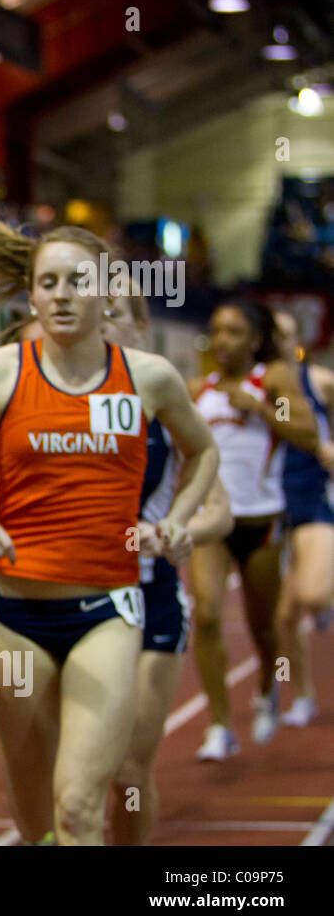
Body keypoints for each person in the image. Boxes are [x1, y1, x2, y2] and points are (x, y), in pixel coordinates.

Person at [0, 220, 219, 845]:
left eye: (78, 281)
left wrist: (178, 522)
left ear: (105, 290)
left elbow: (202, 452)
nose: (63, 295)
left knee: (78, 807)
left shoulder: (148, 377)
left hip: (109, 611)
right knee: (35, 815)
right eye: (48, 283)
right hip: (19, 616)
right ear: (33, 297)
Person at [100, 291, 233, 845]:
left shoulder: (165, 401)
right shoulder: (36, 394)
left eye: (114, 314)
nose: (101, 324)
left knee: (129, 771)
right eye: (94, 311)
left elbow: (219, 512)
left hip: (147, 600)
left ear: (141, 325)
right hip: (56, 600)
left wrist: (177, 531)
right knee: (66, 776)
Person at [188, 299, 318, 759]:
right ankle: (220, 726)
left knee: (262, 627)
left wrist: (263, 408)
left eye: (235, 332)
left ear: (255, 339)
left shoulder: (274, 379)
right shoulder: (197, 390)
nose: (223, 341)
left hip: (262, 523)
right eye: (217, 331)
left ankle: (268, 684)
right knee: (205, 616)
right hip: (214, 525)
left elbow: (307, 432)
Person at [272, 309, 333, 726]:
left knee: (311, 597)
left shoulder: (320, 382)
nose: (284, 344)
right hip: (274, 509)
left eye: (290, 335)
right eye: (277, 337)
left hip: (314, 501)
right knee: (282, 618)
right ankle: (303, 696)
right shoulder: (260, 387)